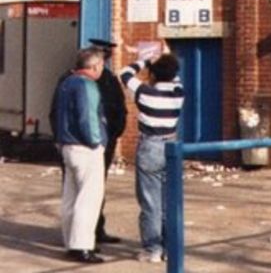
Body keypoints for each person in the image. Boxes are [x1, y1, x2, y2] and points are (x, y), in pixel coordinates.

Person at [119, 51, 185, 263]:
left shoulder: (146, 93)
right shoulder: (178, 93)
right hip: (172, 147)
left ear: (154, 74)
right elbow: (173, 75)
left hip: (150, 146)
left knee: (150, 202)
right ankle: (169, 247)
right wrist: (166, 60)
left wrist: (146, 61)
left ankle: (152, 249)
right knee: (168, 202)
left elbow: (125, 73)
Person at [52, 47, 109, 264]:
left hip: (67, 145)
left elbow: (57, 114)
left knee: (70, 197)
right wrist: (97, 142)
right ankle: (82, 246)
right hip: (85, 148)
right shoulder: (88, 85)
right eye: (101, 65)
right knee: (89, 199)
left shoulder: (66, 83)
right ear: (94, 66)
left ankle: (70, 242)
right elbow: (88, 119)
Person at [88, 38, 128, 245]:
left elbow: (119, 106)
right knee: (86, 190)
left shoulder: (110, 78)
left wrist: (116, 132)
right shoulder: (80, 79)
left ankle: (97, 229)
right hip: (88, 143)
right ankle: (84, 234)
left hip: (107, 139)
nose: (108, 59)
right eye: (105, 55)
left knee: (98, 187)